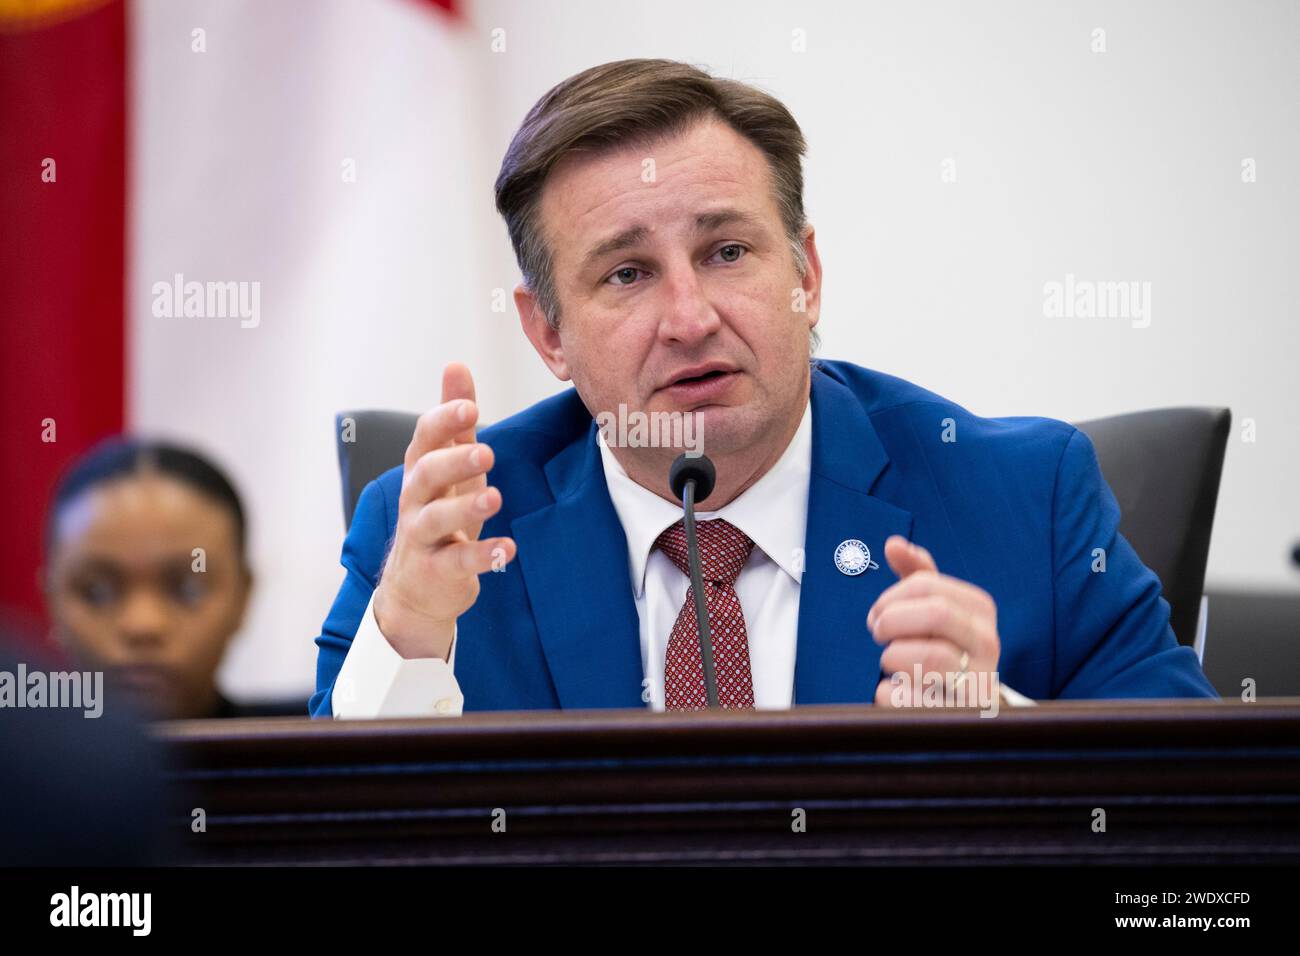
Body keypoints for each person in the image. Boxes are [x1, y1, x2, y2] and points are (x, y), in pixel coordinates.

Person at [311, 58, 1216, 718]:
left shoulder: (1026, 499)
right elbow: (321, 860)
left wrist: (1005, 739)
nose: (691, 315)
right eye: (626, 274)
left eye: (728, 252)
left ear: (808, 274)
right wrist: (414, 647)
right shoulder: (441, 536)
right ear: (548, 332)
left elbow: (1206, 869)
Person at [45, 437, 302, 719]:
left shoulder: (323, 750)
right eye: (97, 592)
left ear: (244, 596)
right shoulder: (13, 757)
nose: (143, 625)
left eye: (188, 590)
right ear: (51, 595)